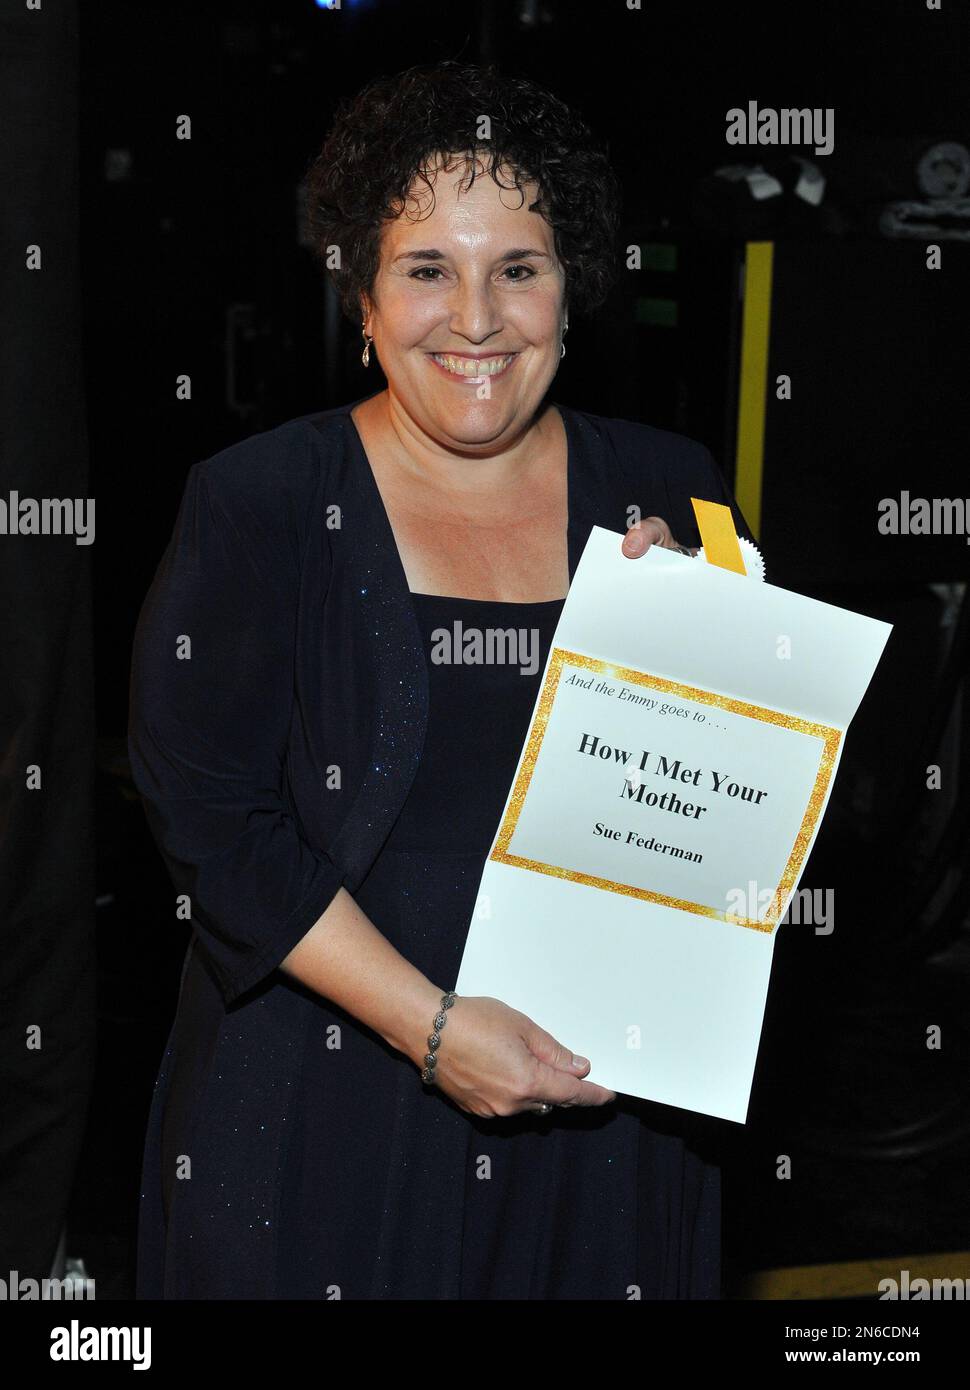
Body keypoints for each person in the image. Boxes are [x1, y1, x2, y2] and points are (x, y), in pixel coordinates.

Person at [130, 60, 756, 1300]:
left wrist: (716, 651)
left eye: (518, 268)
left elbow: (734, 836)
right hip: (329, 1120)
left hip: (607, 1123)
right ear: (362, 297)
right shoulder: (257, 502)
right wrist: (429, 1028)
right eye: (426, 270)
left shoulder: (675, 488)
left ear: (571, 294)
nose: (475, 318)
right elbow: (210, 826)